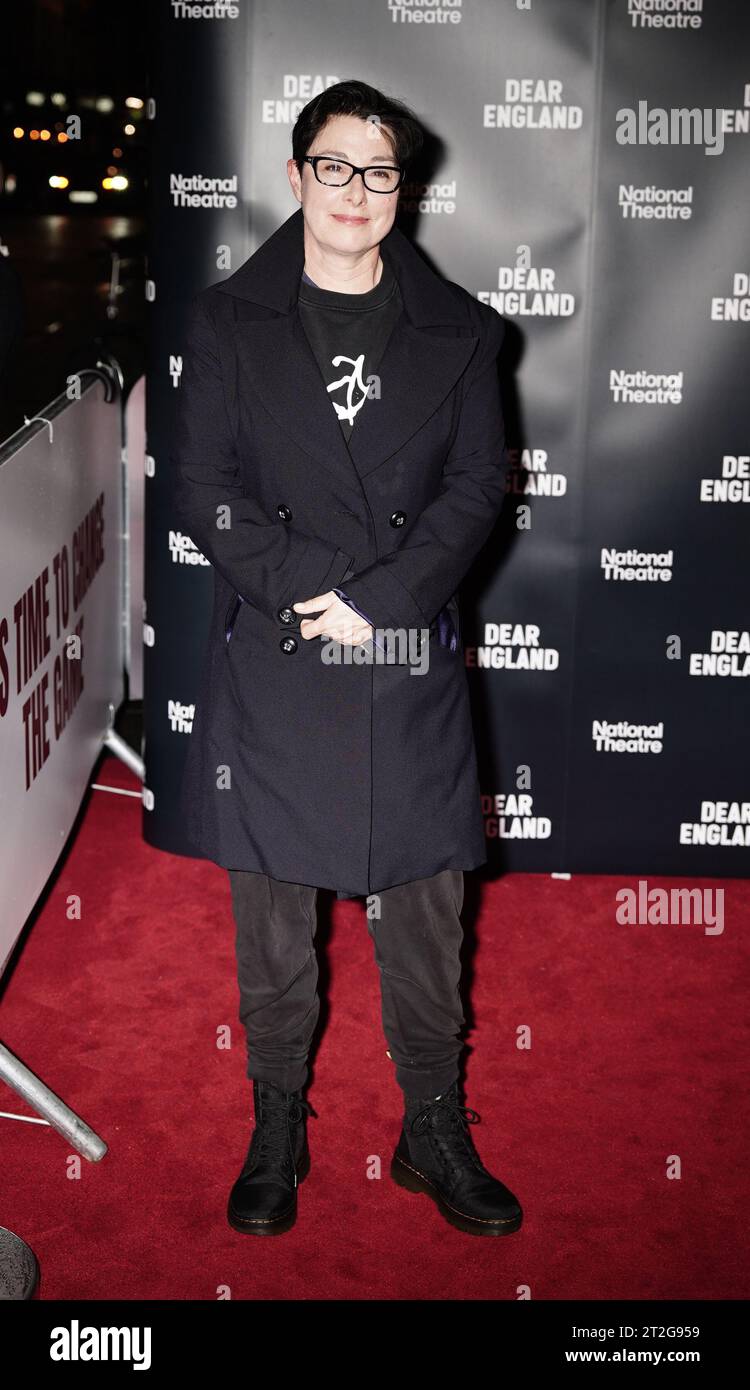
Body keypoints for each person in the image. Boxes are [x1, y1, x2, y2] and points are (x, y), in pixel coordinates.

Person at [172, 79, 522, 1238]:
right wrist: (312, 589)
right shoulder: (228, 322)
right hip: (280, 654)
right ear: (297, 176)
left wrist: (380, 601)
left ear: (402, 188)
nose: (358, 192)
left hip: (405, 651)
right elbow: (207, 491)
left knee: (426, 912)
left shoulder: (466, 332)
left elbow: (478, 491)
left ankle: (431, 1126)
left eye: (380, 171)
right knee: (272, 918)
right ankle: (277, 1119)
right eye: (336, 166)